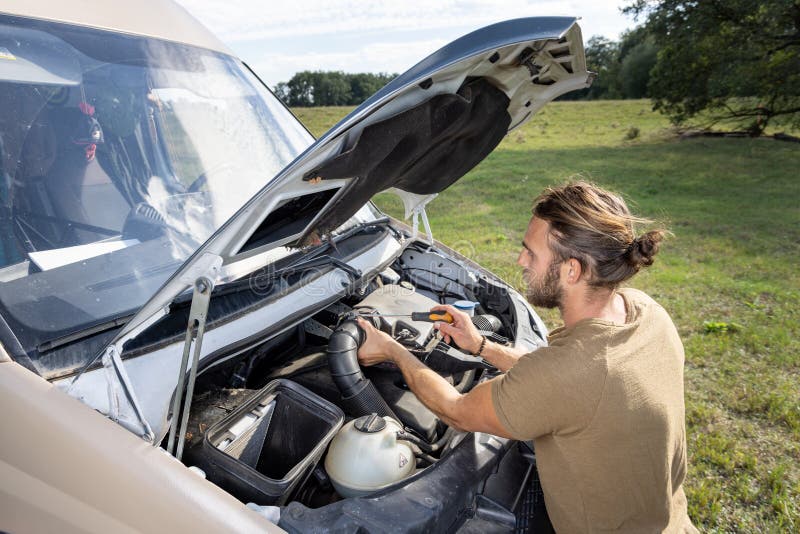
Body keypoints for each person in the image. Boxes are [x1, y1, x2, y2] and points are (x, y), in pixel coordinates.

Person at [356, 181, 697, 533]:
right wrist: (481, 347)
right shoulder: (646, 312)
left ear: (572, 271)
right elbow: (566, 384)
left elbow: (455, 411)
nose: (521, 260)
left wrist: (392, 349)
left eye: (531, 253)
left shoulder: (570, 372)